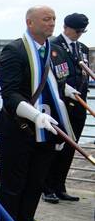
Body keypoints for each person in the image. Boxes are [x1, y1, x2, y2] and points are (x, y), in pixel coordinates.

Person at [0, 5, 71, 221]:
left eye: (53, 18)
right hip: (19, 129)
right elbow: (10, 94)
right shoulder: (14, 50)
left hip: (47, 131)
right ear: (30, 22)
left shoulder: (56, 51)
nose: (51, 23)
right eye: (46, 19)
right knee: (13, 189)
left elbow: (59, 87)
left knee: (35, 186)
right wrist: (35, 115)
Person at [42, 12, 89, 204]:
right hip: (60, 105)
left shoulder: (82, 48)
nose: (79, 34)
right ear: (66, 28)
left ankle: (60, 186)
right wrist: (65, 88)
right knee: (54, 147)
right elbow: (48, 74)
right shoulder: (53, 45)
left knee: (70, 147)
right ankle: (47, 188)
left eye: (82, 31)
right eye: (77, 31)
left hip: (79, 106)